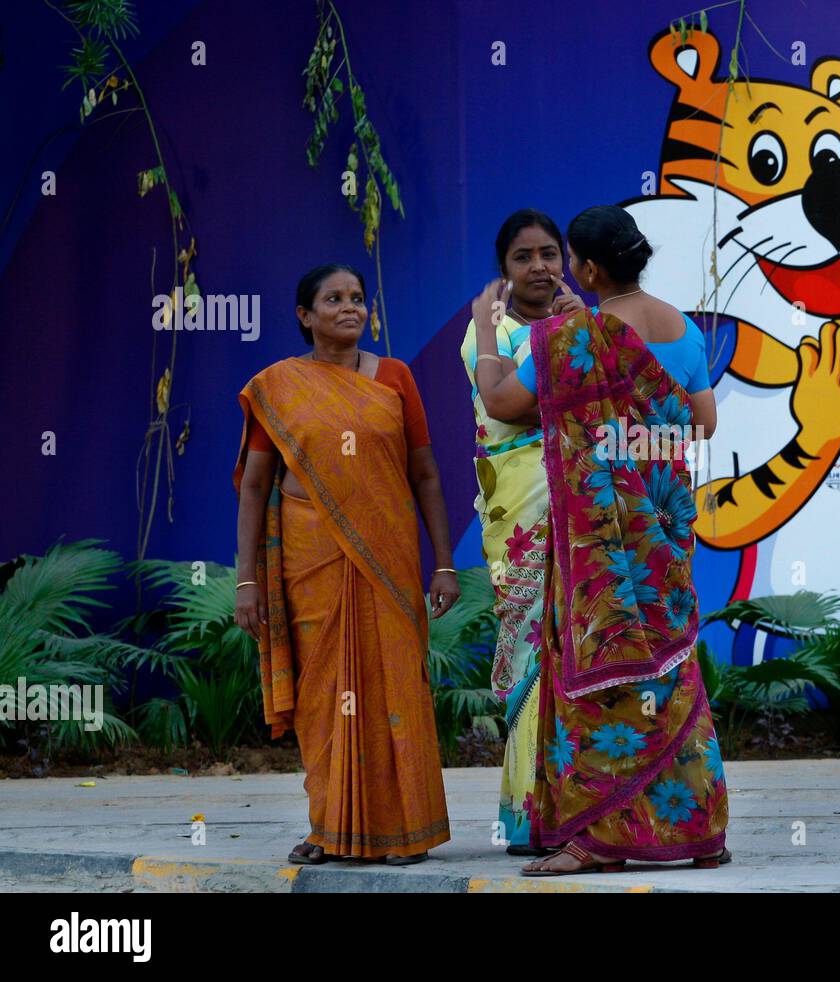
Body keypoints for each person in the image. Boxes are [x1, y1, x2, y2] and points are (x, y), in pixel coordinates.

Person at [470, 205, 728, 876]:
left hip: (602, 538)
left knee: (601, 671)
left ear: (584, 268)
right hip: (664, 532)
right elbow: (700, 423)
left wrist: (485, 332)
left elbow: (499, 403)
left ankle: (596, 837)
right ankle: (697, 828)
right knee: (668, 668)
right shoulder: (679, 326)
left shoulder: (572, 338)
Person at [233, 263, 458, 866]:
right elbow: (255, 486)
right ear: (305, 315)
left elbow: (425, 473)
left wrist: (444, 564)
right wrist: (247, 579)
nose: (349, 308)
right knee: (324, 697)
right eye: (333, 300)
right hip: (311, 558)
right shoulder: (279, 387)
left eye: (357, 298)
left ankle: (404, 830)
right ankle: (328, 827)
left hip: (388, 556)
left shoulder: (395, 377)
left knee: (392, 685)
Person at [459, 209, 581, 855]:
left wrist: (579, 326)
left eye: (550, 254)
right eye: (523, 256)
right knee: (530, 648)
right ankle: (529, 816)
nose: (539, 267)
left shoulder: (579, 326)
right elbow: (507, 411)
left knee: (579, 648)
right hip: (522, 514)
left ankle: (583, 804)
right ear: (502, 270)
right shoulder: (488, 334)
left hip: (584, 507)